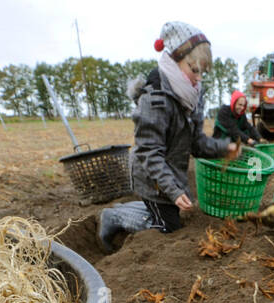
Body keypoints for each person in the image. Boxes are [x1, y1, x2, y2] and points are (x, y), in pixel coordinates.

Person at [99, 21, 240, 251]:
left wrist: (225, 148)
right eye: (194, 70)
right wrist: (173, 191)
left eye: (202, 72)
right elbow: (149, 152)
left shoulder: (191, 96)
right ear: (175, 59)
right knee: (167, 227)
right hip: (151, 176)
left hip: (170, 172)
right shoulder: (155, 97)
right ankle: (114, 218)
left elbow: (196, 142)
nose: (198, 78)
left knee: (169, 214)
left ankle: (123, 211)